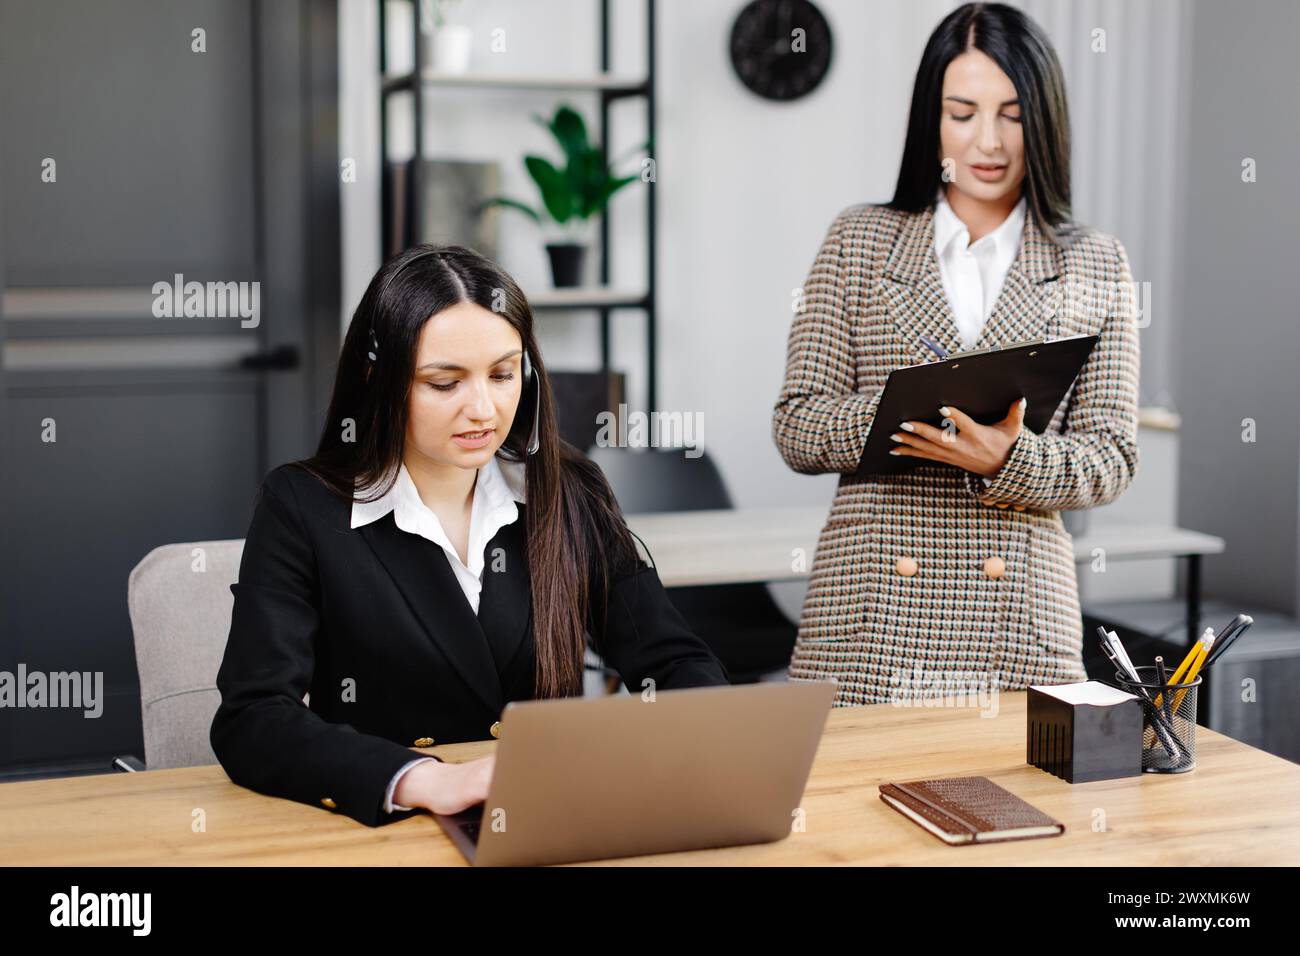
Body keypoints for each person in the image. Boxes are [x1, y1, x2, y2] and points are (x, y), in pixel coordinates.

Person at [211, 244, 729, 826]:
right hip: (389, 829)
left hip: (545, 822)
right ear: (378, 380)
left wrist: (676, 744)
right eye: (444, 383)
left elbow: (675, 662)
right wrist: (422, 779)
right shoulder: (304, 507)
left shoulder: (566, 488)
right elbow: (253, 718)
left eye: (503, 374)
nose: (483, 408)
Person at [772, 2, 1140, 705]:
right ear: (931, 121)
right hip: (875, 613)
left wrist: (1009, 459)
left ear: (1045, 118)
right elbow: (796, 425)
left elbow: (1114, 456)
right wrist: (908, 418)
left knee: (1027, 811)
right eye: (963, 112)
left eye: (1011, 113)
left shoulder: (1094, 261)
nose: (988, 142)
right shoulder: (859, 241)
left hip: (1019, 618)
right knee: (851, 808)